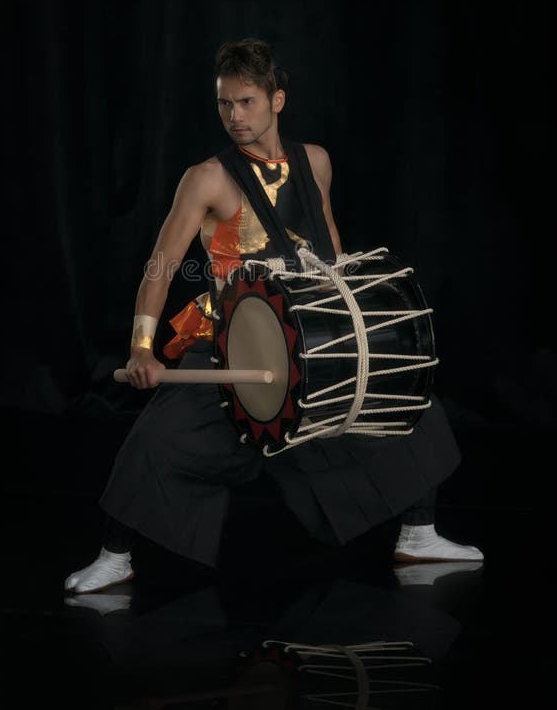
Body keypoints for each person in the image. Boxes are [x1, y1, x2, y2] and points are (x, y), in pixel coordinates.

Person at [65, 39, 483, 595]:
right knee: (155, 441)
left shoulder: (315, 163)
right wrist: (142, 348)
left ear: (277, 100)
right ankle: (114, 556)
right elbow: (161, 267)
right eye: (224, 104)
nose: (234, 117)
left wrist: (351, 327)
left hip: (304, 338)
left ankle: (419, 533)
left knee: (407, 399)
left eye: (246, 102)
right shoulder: (207, 177)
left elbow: (330, 252)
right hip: (229, 338)